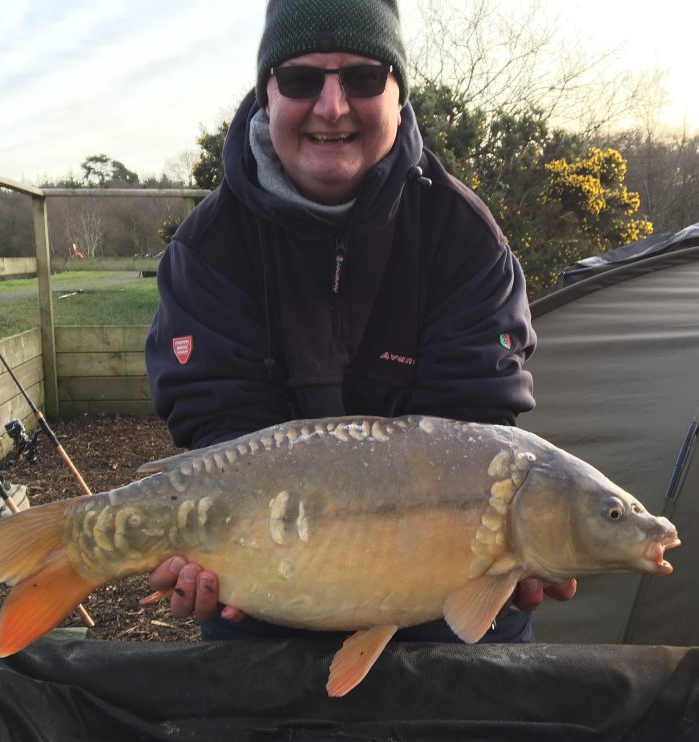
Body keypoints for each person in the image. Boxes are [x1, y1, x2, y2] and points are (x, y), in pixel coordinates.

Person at [144, 0, 575, 643]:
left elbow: (474, 432)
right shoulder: (209, 249)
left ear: (399, 95)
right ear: (266, 94)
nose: (332, 106)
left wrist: (516, 548)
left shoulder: (464, 238)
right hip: (264, 586)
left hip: (445, 594)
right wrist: (200, 544)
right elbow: (222, 431)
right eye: (300, 80)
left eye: (363, 78)